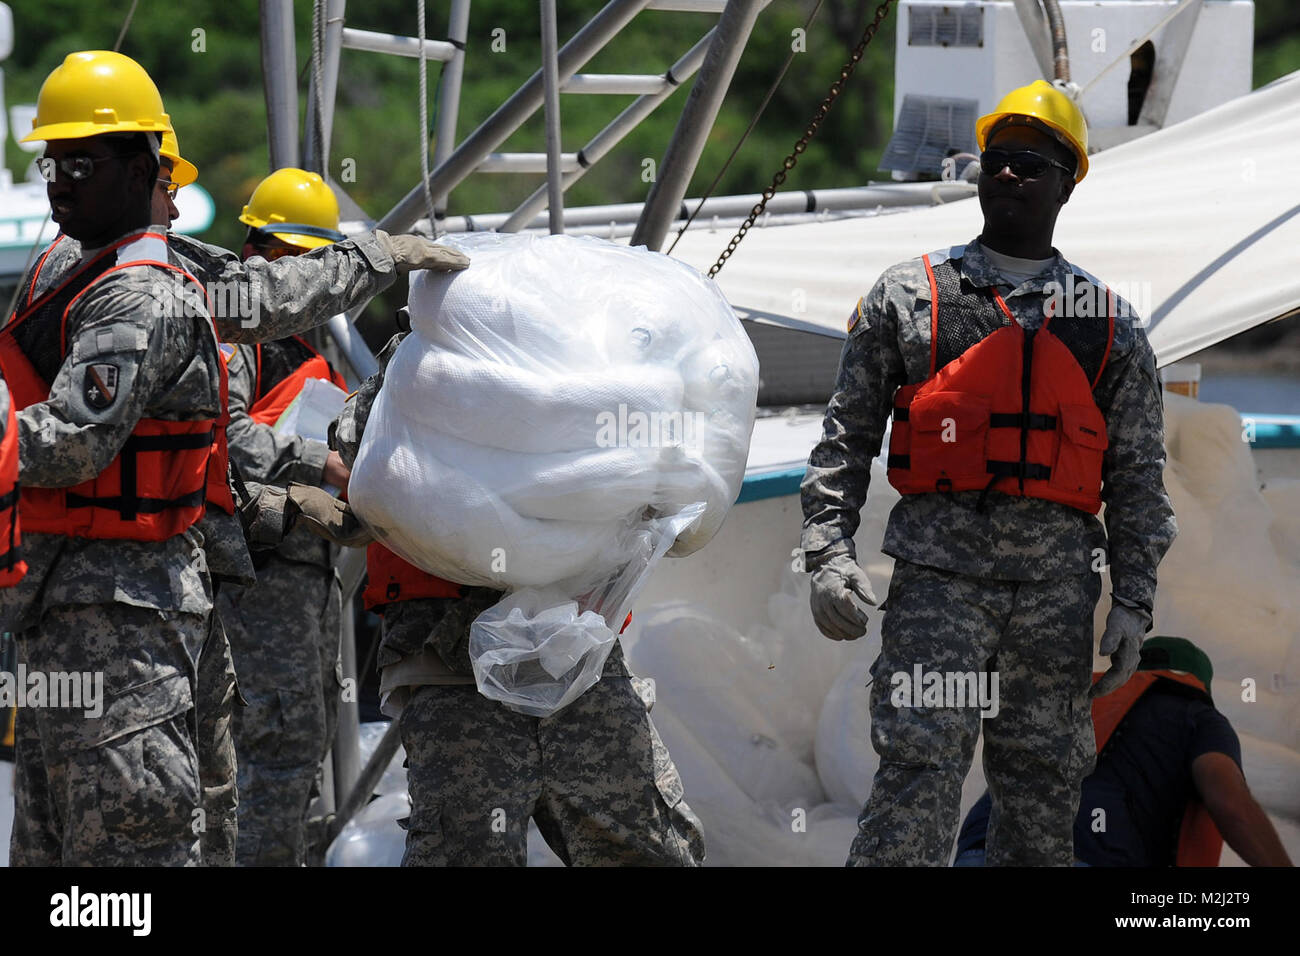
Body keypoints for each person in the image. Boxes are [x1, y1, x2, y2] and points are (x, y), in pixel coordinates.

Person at [800, 80, 1177, 866]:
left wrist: (1134, 602)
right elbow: (846, 437)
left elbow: (1139, 478)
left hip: (1055, 600)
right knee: (918, 773)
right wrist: (828, 552)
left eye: (1031, 164)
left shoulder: (1109, 324)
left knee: (1043, 792)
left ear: (1067, 183)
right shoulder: (911, 296)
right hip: (941, 585)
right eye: (997, 160)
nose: (1007, 175)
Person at [332, 329, 706, 867]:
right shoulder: (422, 363)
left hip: (576, 651)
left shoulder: (592, 363)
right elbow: (355, 444)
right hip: (451, 655)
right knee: (468, 850)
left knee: (646, 844)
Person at [0, 50, 228, 864]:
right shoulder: (75, 268)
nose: (59, 181)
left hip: (126, 627)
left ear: (141, 170)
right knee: (52, 853)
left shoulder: (139, 293)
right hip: (63, 618)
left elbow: (71, 442)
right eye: (51, 162)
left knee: (130, 857)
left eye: (81, 163)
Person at [217, 167, 356, 866]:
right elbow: (222, 434)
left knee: (300, 746)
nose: (310, 282)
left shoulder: (301, 345)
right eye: (300, 264)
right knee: (271, 751)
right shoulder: (235, 329)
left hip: (303, 577)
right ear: (265, 254)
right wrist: (315, 462)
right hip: (257, 579)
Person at [954, 637, 1293, 867]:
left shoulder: (1075, 694)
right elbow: (1230, 803)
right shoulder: (1198, 716)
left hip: (982, 847)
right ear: (1199, 682)